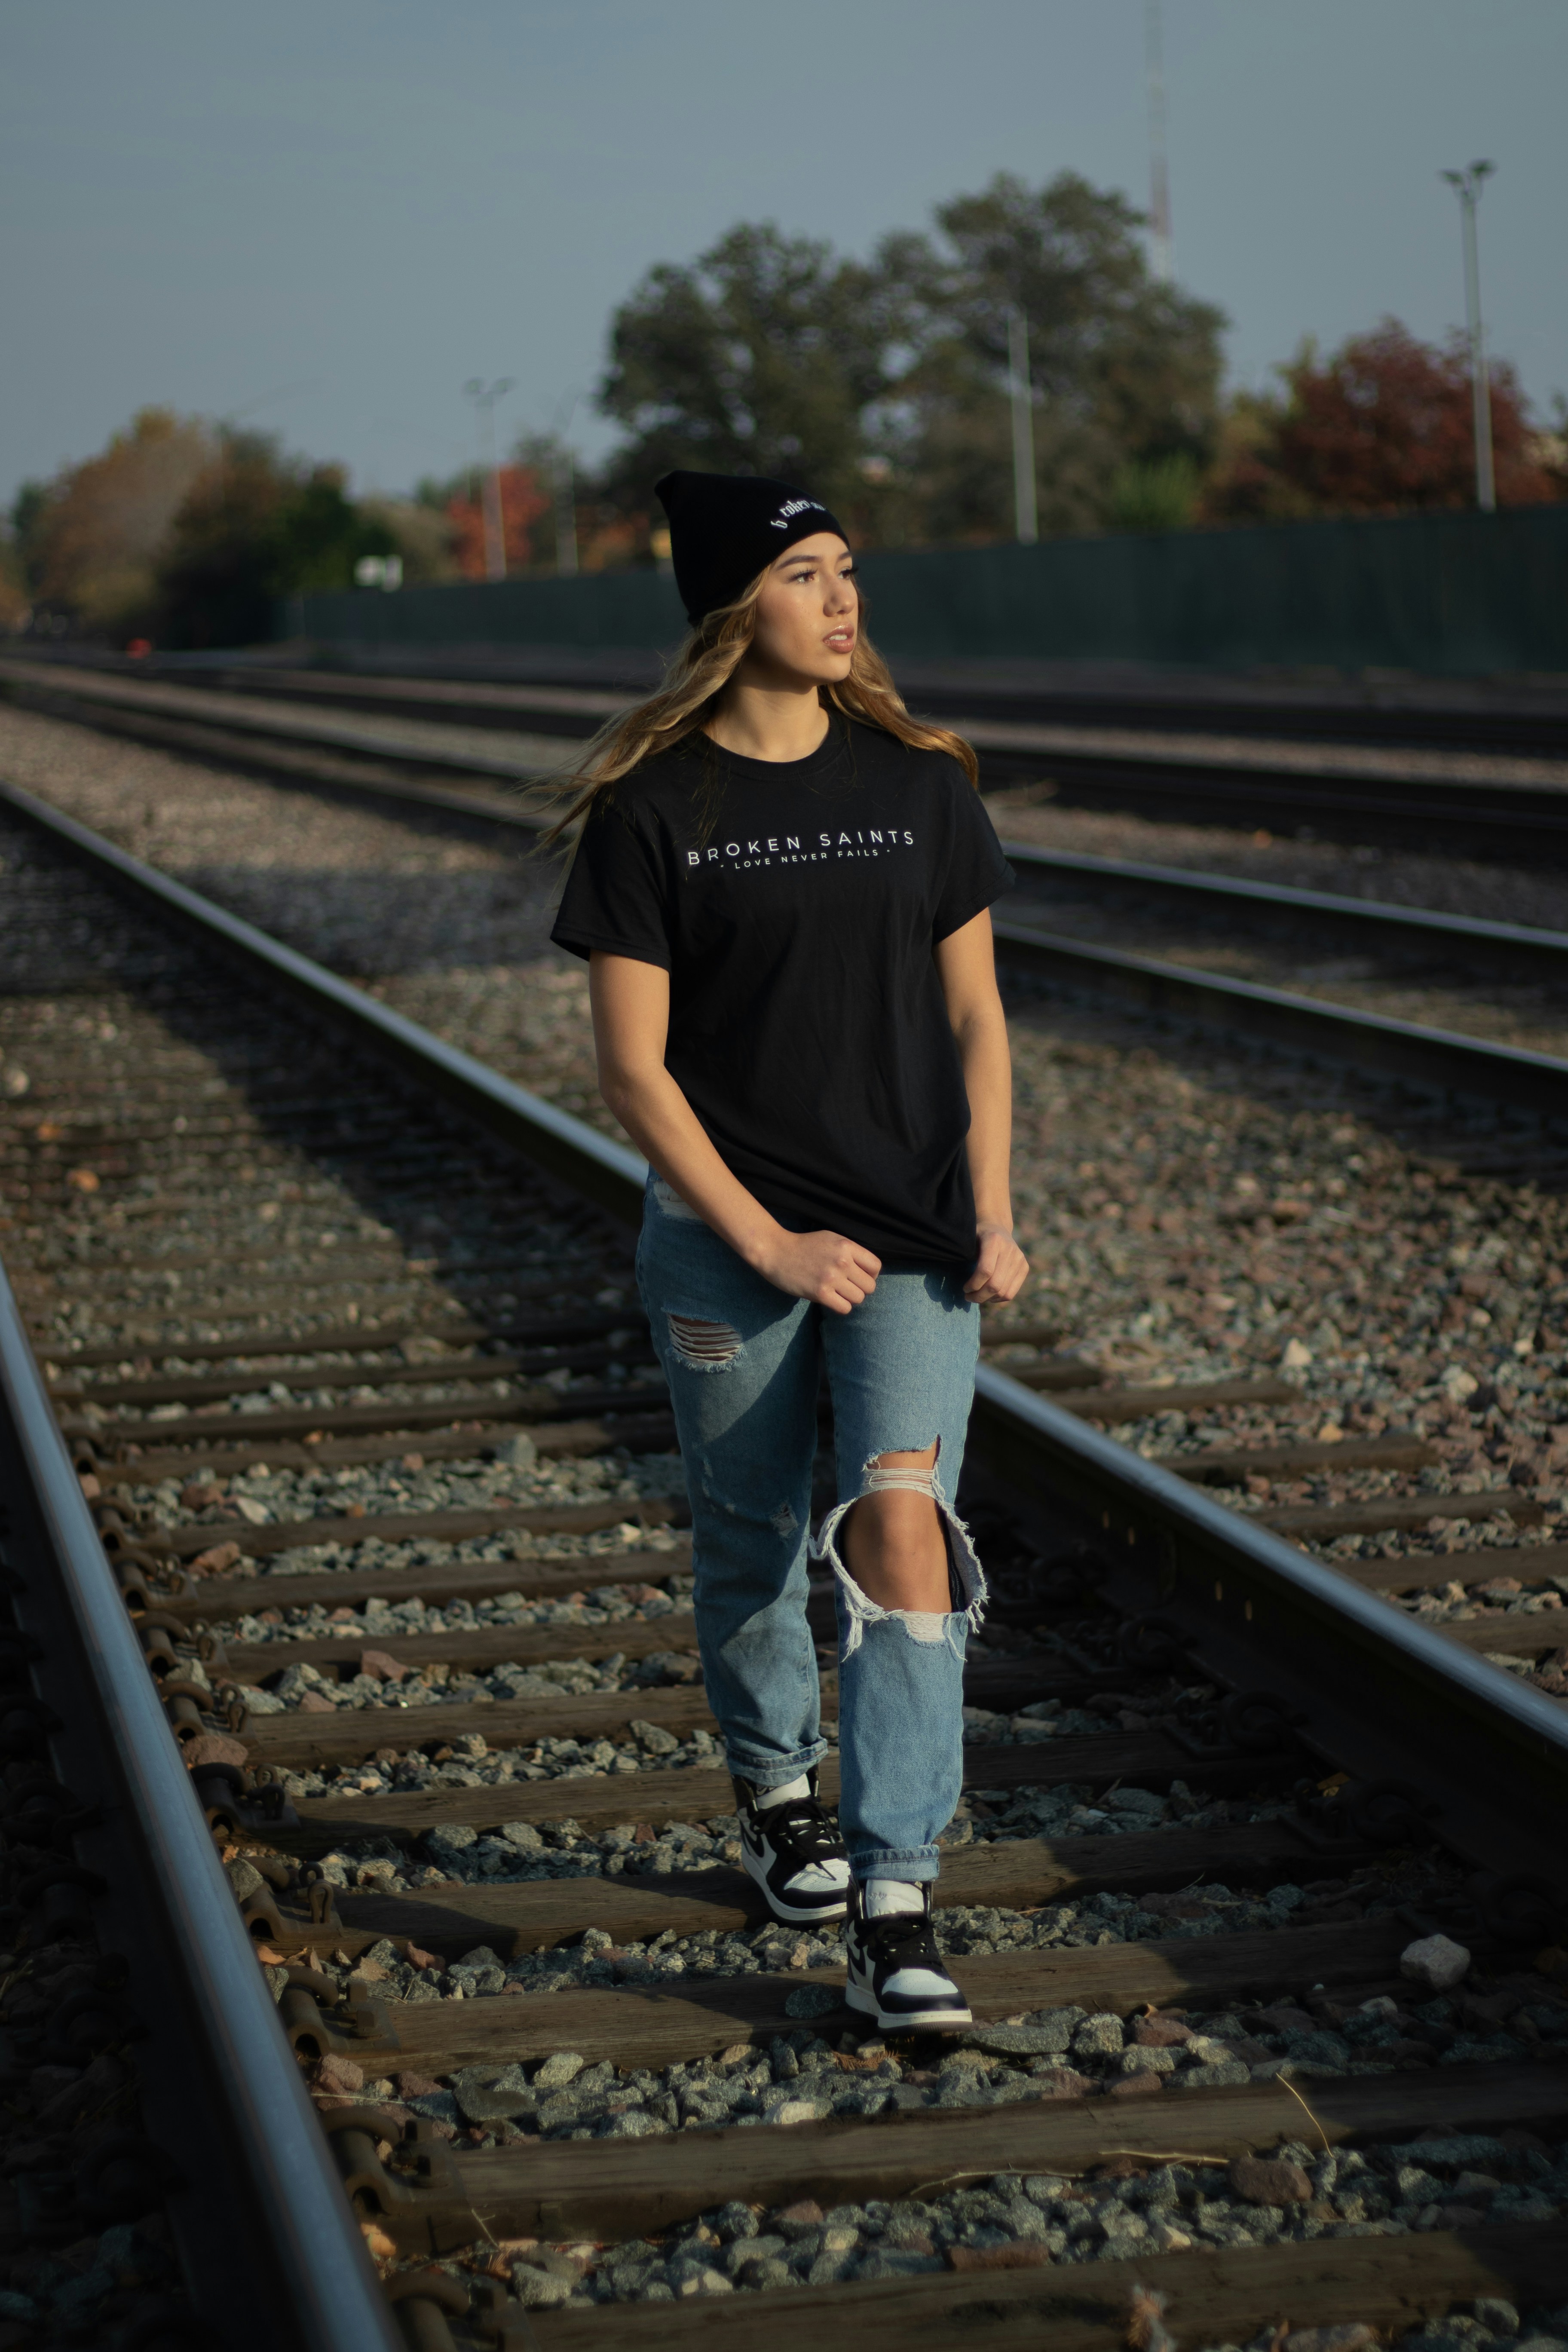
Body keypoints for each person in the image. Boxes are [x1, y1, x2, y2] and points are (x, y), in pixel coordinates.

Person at [547, 470, 1028, 2031]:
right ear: (731, 608)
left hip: (907, 1233)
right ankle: (779, 1793)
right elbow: (634, 1072)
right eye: (808, 574)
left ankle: (896, 1894)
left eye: (847, 573)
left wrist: (997, 1209)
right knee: (750, 1537)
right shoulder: (654, 810)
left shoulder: (924, 785)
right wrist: (765, 1240)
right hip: (725, 1246)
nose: (844, 601)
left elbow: (976, 1021)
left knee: (903, 1529)